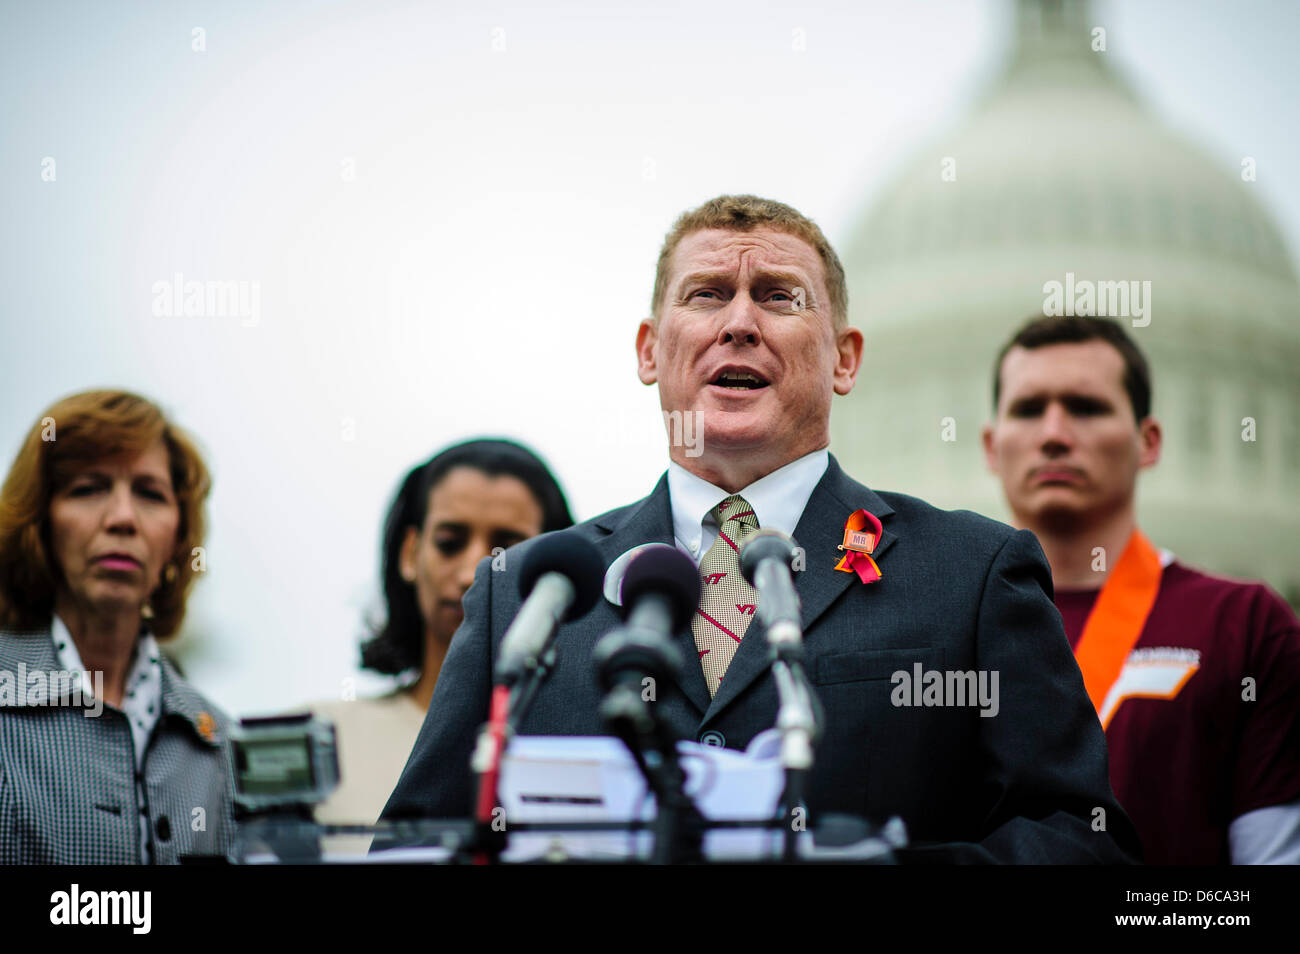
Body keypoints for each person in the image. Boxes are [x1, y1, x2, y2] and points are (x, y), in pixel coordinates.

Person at [380, 194, 1138, 863]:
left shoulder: (971, 573)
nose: (739, 323)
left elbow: (1082, 836)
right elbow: (414, 842)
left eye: (779, 298)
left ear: (845, 359)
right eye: (707, 295)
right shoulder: (525, 594)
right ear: (650, 351)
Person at [982, 315, 1300, 864]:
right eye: (1029, 410)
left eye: (1086, 408)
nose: (1054, 435)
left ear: (1148, 441)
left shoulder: (1245, 625)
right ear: (992, 446)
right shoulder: (942, 630)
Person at [0, 389, 234, 864]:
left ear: (177, 539)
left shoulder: (218, 741)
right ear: (40, 525)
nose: (123, 518)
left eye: (150, 493)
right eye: (88, 488)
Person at [310, 439, 573, 829]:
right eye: (449, 544)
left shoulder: (584, 753)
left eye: (507, 553)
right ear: (409, 553)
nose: (473, 572)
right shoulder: (318, 738)